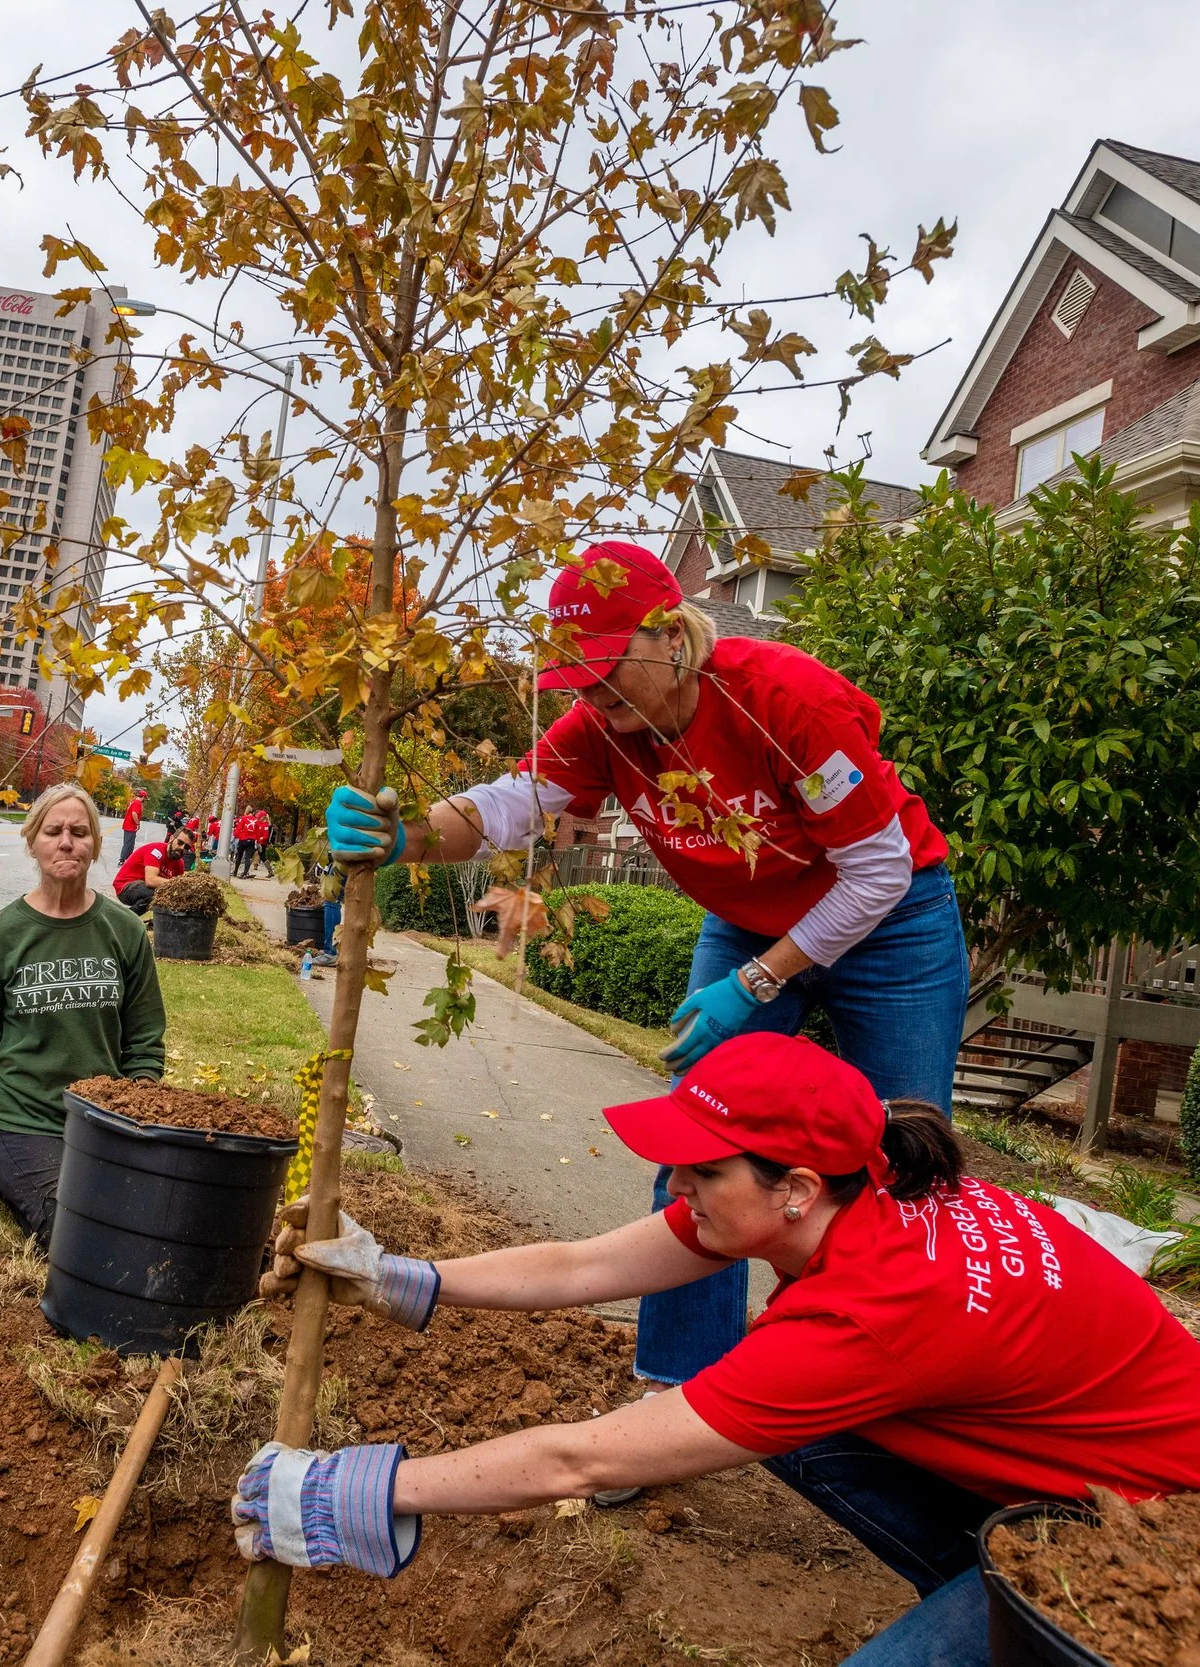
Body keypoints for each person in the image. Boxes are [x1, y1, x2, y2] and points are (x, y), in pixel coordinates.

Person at [235, 1034, 1200, 1667]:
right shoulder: (857, 1191)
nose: (674, 1189)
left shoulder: (873, 1313)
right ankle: (977, 1582)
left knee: (747, 1416)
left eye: (699, 1171)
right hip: (1120, 1490)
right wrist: (409, 1274)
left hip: (1193, 1571)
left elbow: (591, 1458)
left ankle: (1010, 1623)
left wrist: (362, 1488)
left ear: (794, 1188)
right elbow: (578, 1266)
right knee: (787, 1428)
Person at [323, 540, 967, 1392]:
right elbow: (507, 808)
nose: (589, 691)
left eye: (604, 666)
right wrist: (403, 836)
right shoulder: (601, 729)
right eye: (574, 677)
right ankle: (679, 1386)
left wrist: (760, 980)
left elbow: (878, 868)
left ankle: (903, 1386)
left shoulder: (780, 696)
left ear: (669, 633)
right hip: (748, 916)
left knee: (901, 1154)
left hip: (893, 920)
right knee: (699, 1140)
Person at [0, 783, 165, 1243]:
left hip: (101, 1119)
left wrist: (134, 1129)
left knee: (151, 1215)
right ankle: (16, 1179)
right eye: (53, 831)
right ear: (32, 842)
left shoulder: (123, 930)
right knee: (79, 1230)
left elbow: (143, 1043)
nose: (66, 841)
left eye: (80, 832)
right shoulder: (0, 937)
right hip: (20, 1119)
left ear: (95, 845)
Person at [111, 826, 193, 915]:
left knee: (169, 898)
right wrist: (177, 883)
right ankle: (126, 919)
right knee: (156, 895)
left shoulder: (179, 864)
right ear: (171, 838)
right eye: (180, 842)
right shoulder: (156, 850)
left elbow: (178, 889)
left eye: (186, 847)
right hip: (125, 887)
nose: (182, 848)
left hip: (144, 888)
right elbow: (150, 880)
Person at [119, 791, 145, 867]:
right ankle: (122, 860)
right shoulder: (137, 803)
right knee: (128, 844)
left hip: (127, 826)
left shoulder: (133, 802)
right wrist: (138, 823)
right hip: (130, 827)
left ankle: (129, 859)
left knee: (130, 844)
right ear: (143, 797)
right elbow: (134, 813)